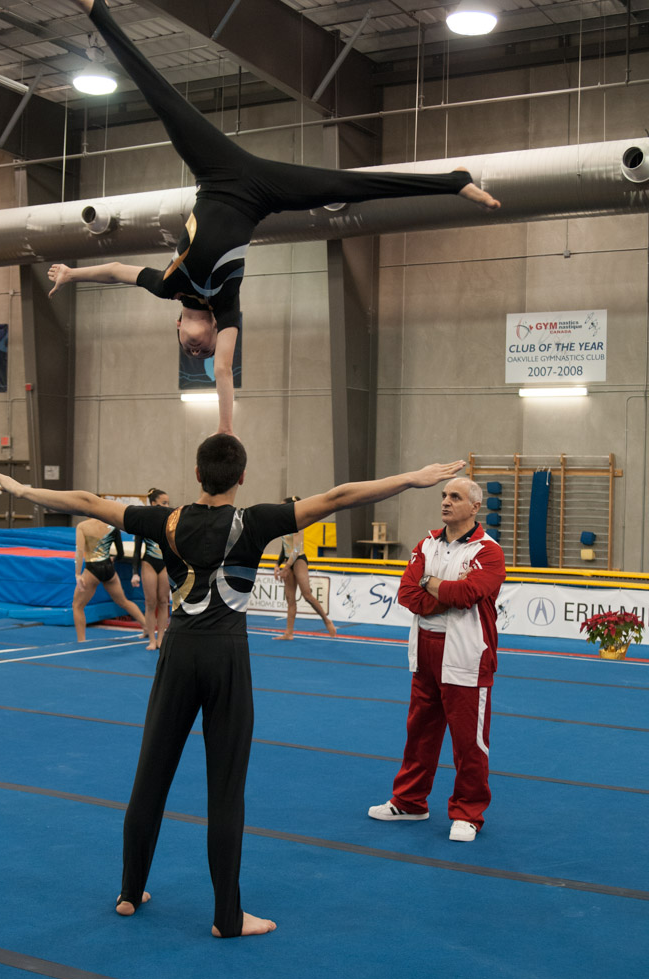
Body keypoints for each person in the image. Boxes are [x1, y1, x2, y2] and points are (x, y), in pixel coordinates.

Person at [0, 441, 465, 937]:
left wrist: (22, 488)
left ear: (197, 472)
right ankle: (226, 916)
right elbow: (341, 496)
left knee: (151, 772)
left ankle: (130, 892)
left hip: (178, 654)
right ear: (242, 475)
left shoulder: (164, 521)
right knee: (225, 789)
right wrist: (411, 478)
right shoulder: (255, 522)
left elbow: (85, 502)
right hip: (226, 657)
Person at [49, 1, 501, 436]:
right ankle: (451, 179)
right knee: (346, 185)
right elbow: (224, 367)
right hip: (259, 192)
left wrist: (72, 273)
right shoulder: (226, 305)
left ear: (178, 324)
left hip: (217, 173)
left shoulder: (167, 285)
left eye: (192, 347)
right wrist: (226, 425)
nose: (198, 348)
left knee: (162, 99)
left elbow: (113, 270)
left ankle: (94, 9)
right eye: (202, 346)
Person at [368, 477, 505, 842]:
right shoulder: (426, 543)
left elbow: (471, 593)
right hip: (424, 651)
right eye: (444, 495)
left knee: (468, 742)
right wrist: (444, 590)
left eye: (455, 497)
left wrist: (432, 583)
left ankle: (468, 813)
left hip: (466, 655)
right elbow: (407, 594)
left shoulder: (488, 551)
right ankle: (410, 801)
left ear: (475, 506)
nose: (445, 501)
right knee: (420, 733)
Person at [73, 516, 147, 642]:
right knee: (123, 601)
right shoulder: (112, 526)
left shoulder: (83, 526)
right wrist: (113, 559)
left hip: (92, 569)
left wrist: (78, 574)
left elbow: (79, 551)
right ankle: (147, 627)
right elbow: (120, 553)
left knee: (77, 606)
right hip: (109, 569)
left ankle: (81, 640)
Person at [274, 496, 336, 639]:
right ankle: (288, 633)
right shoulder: (283, 525)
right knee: (290, 598)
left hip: (299, 560)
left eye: (283, 506)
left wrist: (286, 567)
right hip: (288, 562)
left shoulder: (298, 524)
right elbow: (285, 548)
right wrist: (278, 564)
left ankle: (327, 621)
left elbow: (296, 549)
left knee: (306, 594)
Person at [131, 488, 171, 650]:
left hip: (164, 564)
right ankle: (152, 640)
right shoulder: (144, 523)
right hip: (148, 562)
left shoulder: (170, 521)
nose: (167, 505)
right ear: (153, 503)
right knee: (150, 602)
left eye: (168, 502)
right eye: (164, 503)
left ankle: (161, 638)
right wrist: (134, 573)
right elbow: (136, 549)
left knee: (163, 601)